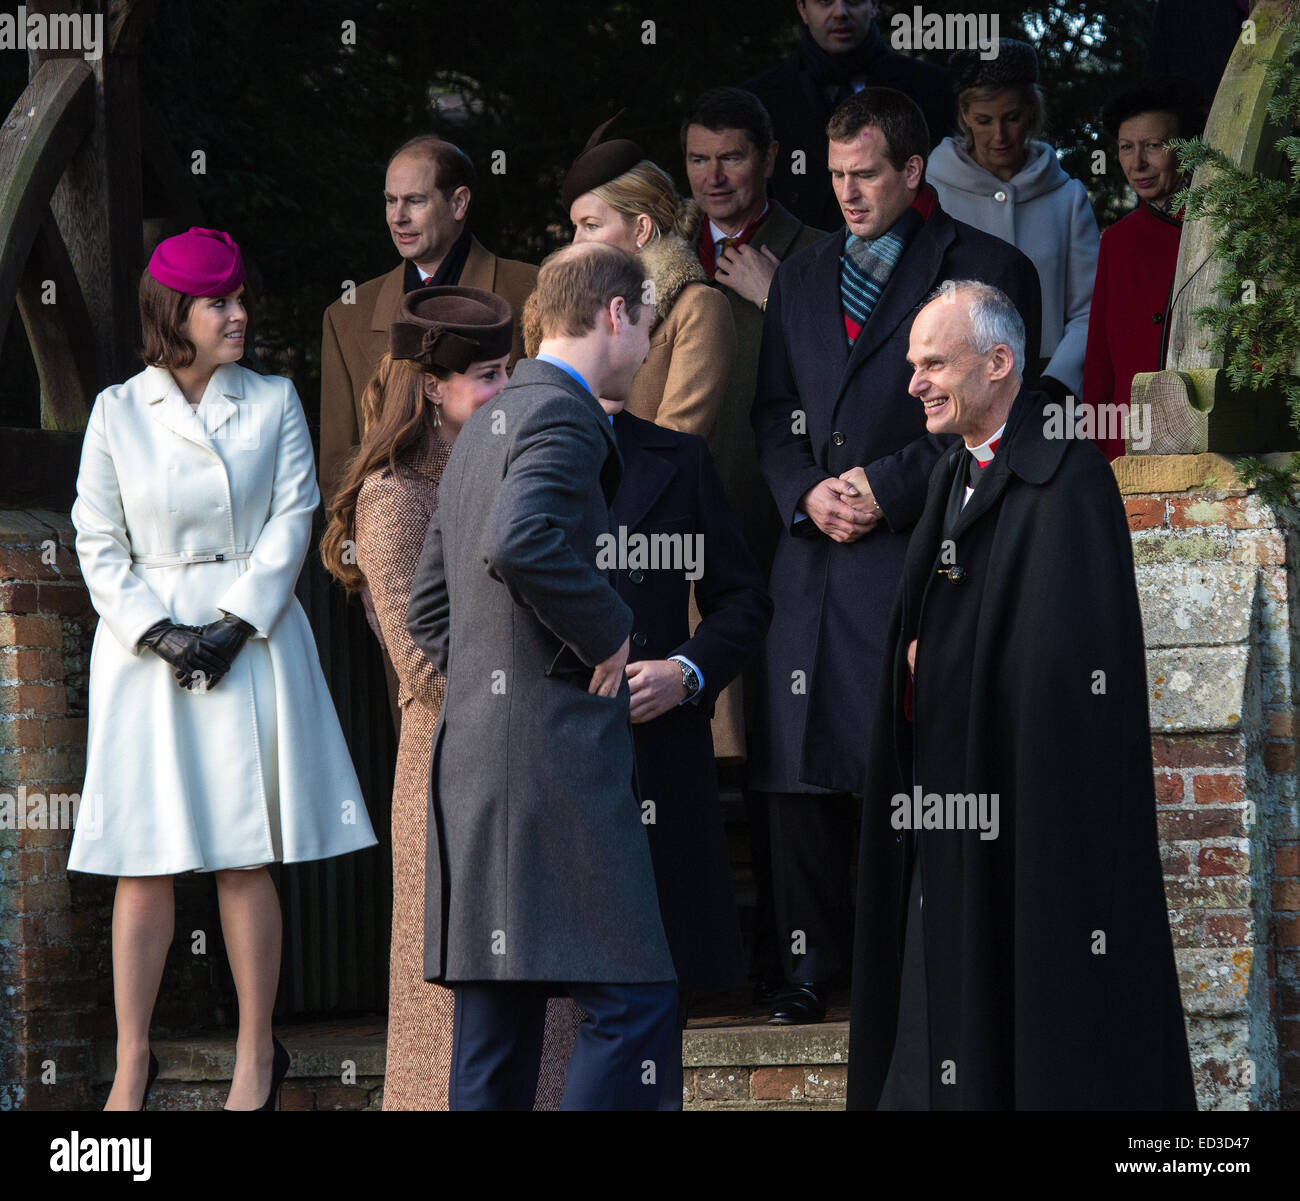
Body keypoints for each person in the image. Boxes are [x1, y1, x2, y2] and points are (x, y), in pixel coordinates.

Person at [846, 281, 1196, 1110]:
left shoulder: (1067, 476)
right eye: (912, 364)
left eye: (934, 363)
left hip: (1033, 820)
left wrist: (946, 663)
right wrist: (916, 664)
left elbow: (1069, 667)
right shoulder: (949, 477)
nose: (914, 383)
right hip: (952, 808)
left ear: (999, 362)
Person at [750, 88, 1041, 1026]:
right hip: (811, 556)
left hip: (918, 552)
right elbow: (770, 415)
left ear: (913, 170)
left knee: (901, 766)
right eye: (833, 176)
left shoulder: (988, 268)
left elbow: (1003, 417)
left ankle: (909, 967)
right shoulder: (799, 278)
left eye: (864, 173)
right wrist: (805, 490)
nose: (846, 193)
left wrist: (887, 485)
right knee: (796, 772)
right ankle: (805, 968)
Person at [68, 227, 378, 1110]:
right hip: (145, 656)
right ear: (176, 315)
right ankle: (132, 1060)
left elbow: (293, 518)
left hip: (253, 644)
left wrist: (237, 622)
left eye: (240, 297)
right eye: (220, 303)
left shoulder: (274, 398)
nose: (240, 314)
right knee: (145, 858)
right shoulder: (117, 411)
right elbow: (97, 541)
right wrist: (159, 632)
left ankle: (254, 1056)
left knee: (245, 854)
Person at [406, 243, 679, 1110]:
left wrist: (503, 684)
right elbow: (520, 543)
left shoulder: (484, 423)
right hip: (556, 767)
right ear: (613, 314)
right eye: (647, 325)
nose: (648, 345)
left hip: (476, 770)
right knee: (634, 1002)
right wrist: (607, 634)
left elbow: (428, 612)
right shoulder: (562, 414)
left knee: (498, 1028)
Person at [520, 293, 773, 1105]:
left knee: (657, 998)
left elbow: (743, 601)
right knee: (545, 1000)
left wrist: (686, 672)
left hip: (660, 760)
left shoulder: (680, 459)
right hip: (550, 763)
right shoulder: (503, 457)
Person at [322, 285, 543, 1109]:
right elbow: (425, 667)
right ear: (431, 387)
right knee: (447, 1024)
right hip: (452, 778)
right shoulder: (394, 497)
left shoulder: (510, 462)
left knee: (539, 1013)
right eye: (489, 373)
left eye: (510, 368)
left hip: (523, 769)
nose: (508, 386)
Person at [681, 84, 826, 997]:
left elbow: (863, 383)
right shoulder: (658, 265)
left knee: (780, 757)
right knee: (689, 761)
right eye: (699, 158)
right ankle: (703, 963)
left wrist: (784, 300)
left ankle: (792, 957)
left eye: (732, 156)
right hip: (673, 546)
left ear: (769, 159)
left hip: (781, 538)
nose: (716, 176)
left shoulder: (817, 253)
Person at [319, 136, 538, 728]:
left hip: (515, 550)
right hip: (402, 564)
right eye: (390, 201)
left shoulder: (529, 289)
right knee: (426, 731)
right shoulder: (348, 313)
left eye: (414, 200)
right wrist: (363, 572)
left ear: (459, 201)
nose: (397, 216)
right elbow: (343, 459)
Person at [927, 39, 1099, 402]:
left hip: (1049, 395)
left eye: (1012, 118)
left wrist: (1057, 384)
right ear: (964, 114)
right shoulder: (931, 191)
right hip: (953, 395)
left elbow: (1088, 310)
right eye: (984, 121)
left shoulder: (1067, 198)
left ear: (1031, 111)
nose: (999, 136)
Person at [563, 115, 736, 440]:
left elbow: (676, 442)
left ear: (641, 228)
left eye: (591, 225)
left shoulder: (700, 308)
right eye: (575, 227)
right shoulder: (573, 311)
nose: (576, 243)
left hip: (645, 489)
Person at [744, 0, 953, 232]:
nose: (840, 12)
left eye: (853, 1)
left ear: (874, 4)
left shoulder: (933, 88)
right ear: (802, 9)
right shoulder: (759, 98)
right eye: (824, 2)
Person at [1083, 77, 1205, 460]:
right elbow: (1100, 363)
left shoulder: (1217, 225)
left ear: (1185, 149)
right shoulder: (1116, 242)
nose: (1138, 164)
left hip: (1205, 433)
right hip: (1127, 445)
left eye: (1154, 146)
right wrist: (1098, 455)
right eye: (1126, 148)